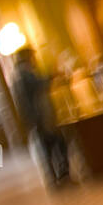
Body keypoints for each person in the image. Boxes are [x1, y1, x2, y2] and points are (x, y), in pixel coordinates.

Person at [11, 48, 71, 186]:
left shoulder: (17, 74)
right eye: (32, 56)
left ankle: (54, 176)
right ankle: (62, 173)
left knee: (47, 147)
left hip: (34, 118)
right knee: (56, 142)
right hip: (40, 117)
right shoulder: (25, 73)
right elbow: (40, 84)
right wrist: (54, 74)